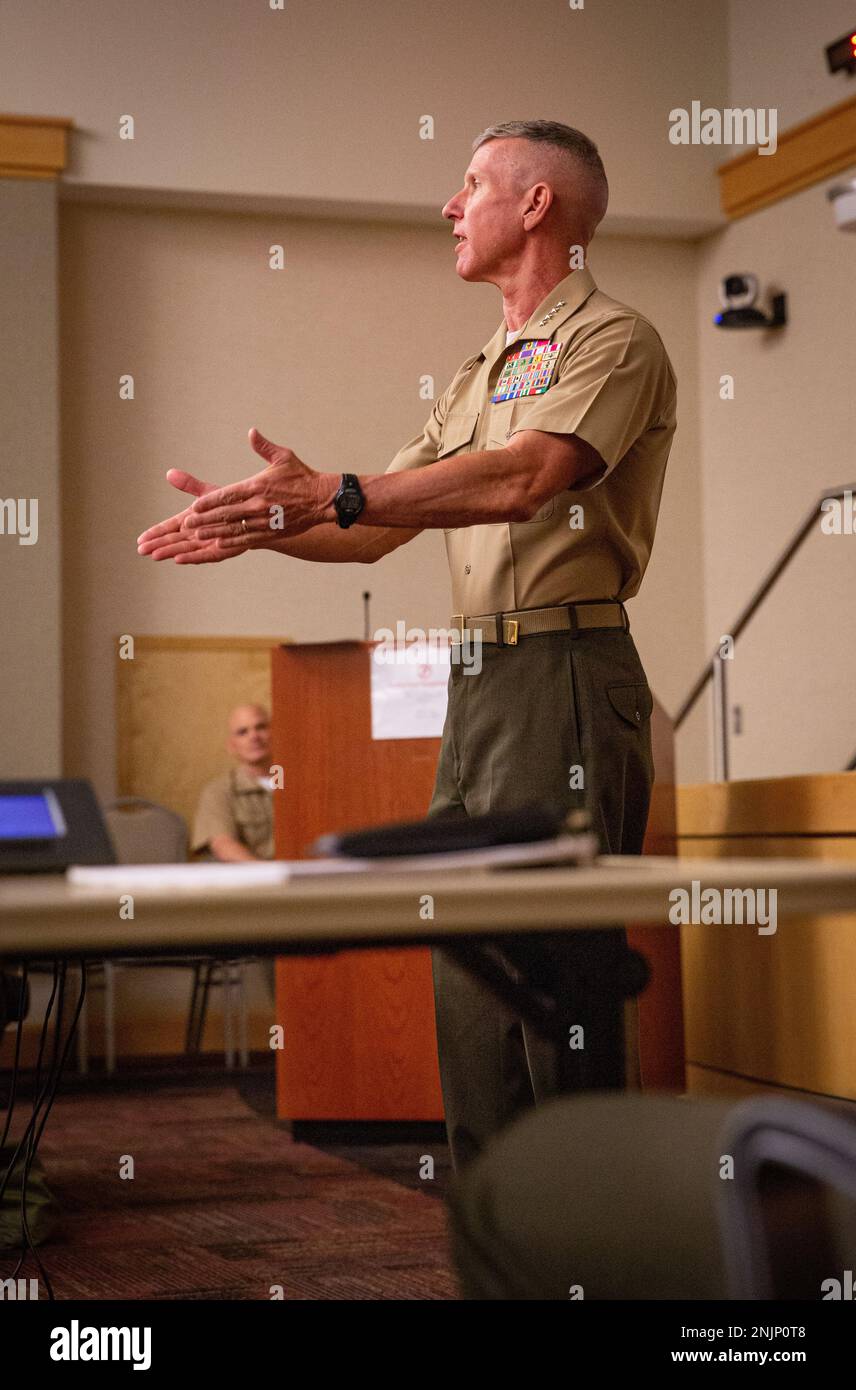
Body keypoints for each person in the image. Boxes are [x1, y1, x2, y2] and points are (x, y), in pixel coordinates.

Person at [137, 119, 677, 1171]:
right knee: (470, 973)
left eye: (471, 182)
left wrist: (336, 489)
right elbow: (384, 518)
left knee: (553, 972)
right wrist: (269, 524)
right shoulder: (478, 369)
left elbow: (524, 477)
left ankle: (597, 1244)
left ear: (535, 206)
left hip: (562, 675)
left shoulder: (613, 338)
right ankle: (497, 1238)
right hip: (478, 679)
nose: (449, 203)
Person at [192, 703, 275, 863]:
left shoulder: (299, 783)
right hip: (254, 881)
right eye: (243, 732)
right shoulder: (218, 791)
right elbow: (223, 845)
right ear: (232, 746)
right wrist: (267, 874)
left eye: (261, 727)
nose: (254, 736)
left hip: (307, 879)